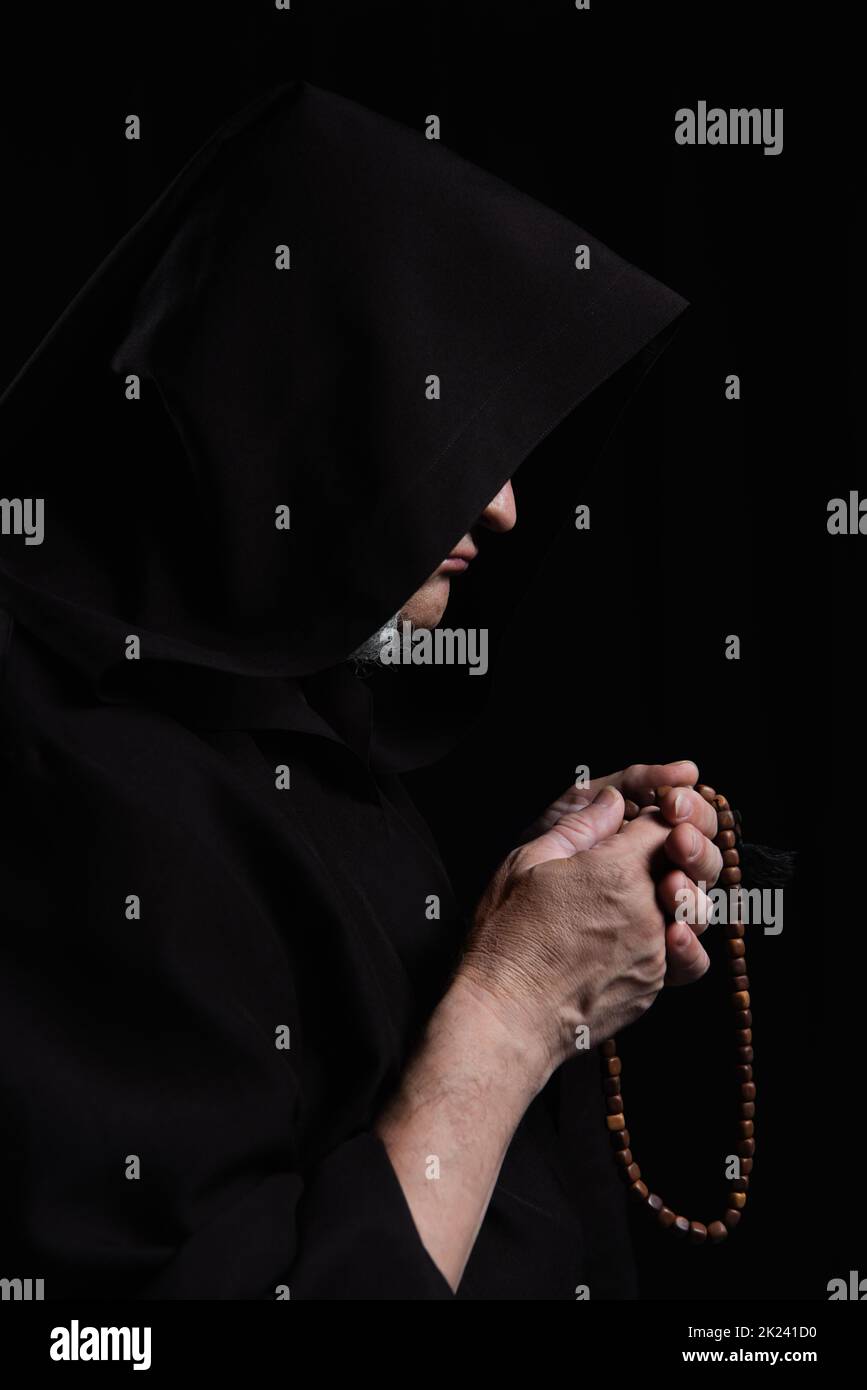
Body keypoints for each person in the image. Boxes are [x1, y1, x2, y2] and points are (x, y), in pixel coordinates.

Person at [0, 81, 715, 1299]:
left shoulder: (284, 730)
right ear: (283, 395)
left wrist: (519, 919)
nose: (502, 504)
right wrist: (519, 1001)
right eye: (436, 416)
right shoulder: (70, 784)